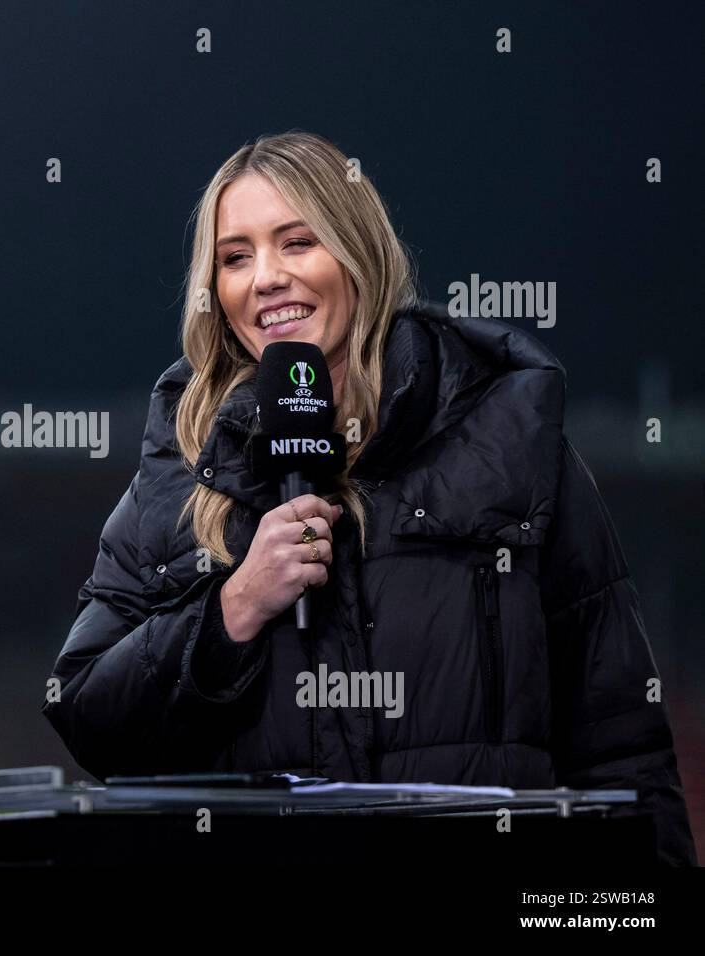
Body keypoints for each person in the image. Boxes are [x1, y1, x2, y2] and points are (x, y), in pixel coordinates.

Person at [40, 131, 697, 865]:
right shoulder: (186, 469)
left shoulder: (510, 437)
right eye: (235, 257)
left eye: (297, 243)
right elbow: (87, 713)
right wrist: (230, 613)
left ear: (357, 254)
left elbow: (621, 742)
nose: (265, 277)